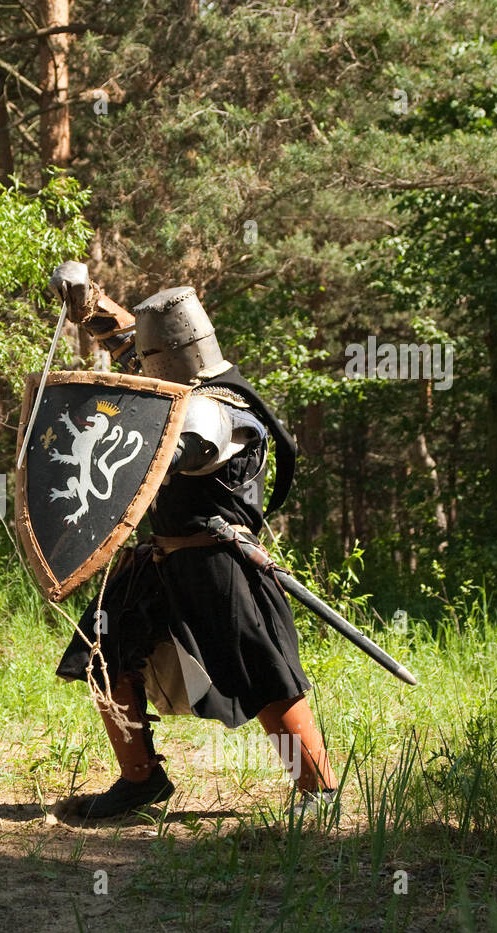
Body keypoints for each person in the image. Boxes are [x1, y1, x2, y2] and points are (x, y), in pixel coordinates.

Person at [47, 261, 338, 818]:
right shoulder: (183, 379)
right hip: (159, 563)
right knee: (105, 656)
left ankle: (319, 790)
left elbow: (173, 452)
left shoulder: (218, 410)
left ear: (174, 360)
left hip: (221, 566)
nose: (138, 366)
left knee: (264, 674)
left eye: (148, 361)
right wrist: (86, 302)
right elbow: (129, 337)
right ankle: (141, 781)